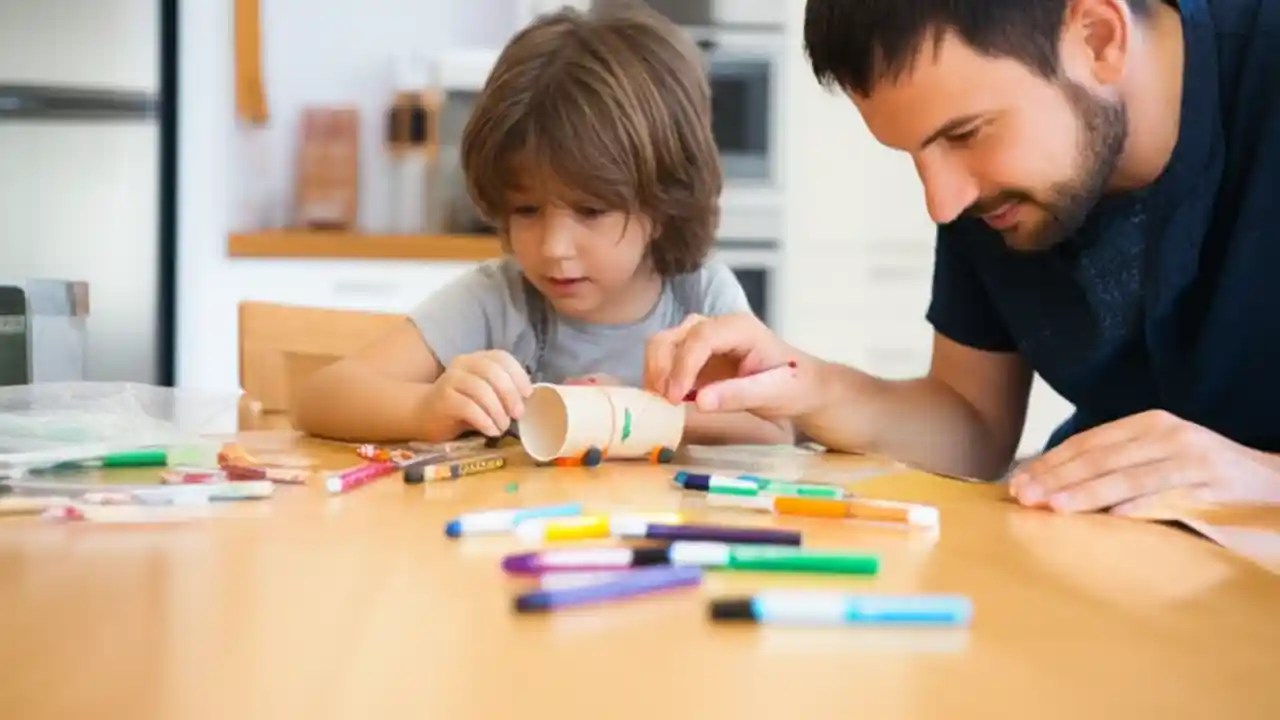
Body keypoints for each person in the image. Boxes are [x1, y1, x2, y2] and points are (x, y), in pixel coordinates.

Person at [646, 0, 1280, 513]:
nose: (943, 203)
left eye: (966, 134)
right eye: (915, 154)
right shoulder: (996, 192)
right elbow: (974, 427)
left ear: (1096, 37)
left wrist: (1258, 476)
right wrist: (806, 385)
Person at [295, 6, 791, 448]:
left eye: (591, 211)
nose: (553, 248)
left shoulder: (699, 299)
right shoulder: (499, 301)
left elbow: (772, 428)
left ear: (662, 202)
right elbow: (323, 396)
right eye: (527, 210)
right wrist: (425, 409)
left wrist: (631, 414)